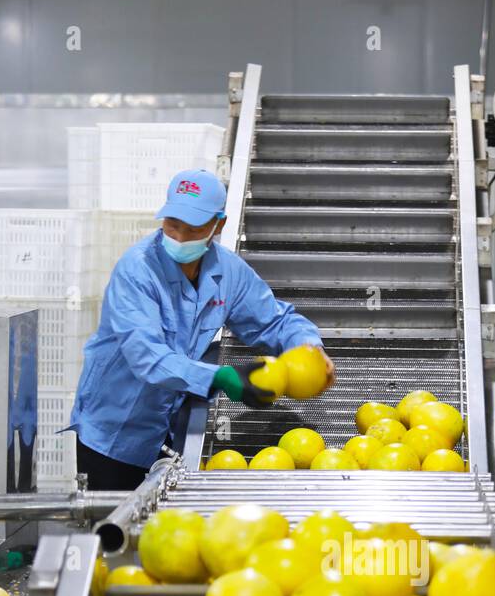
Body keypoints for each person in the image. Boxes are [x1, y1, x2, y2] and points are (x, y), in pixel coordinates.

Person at [67, 168, 333, 489]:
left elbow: (275, 320)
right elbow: (148, 357)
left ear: (218, 225)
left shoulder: (227, 271)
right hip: (113, 428)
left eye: (193, 229)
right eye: (172, 225)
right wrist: (219, 378)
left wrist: (308, 347)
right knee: (115, 529)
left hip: (163, 426)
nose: (179, 238)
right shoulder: (137, 270)